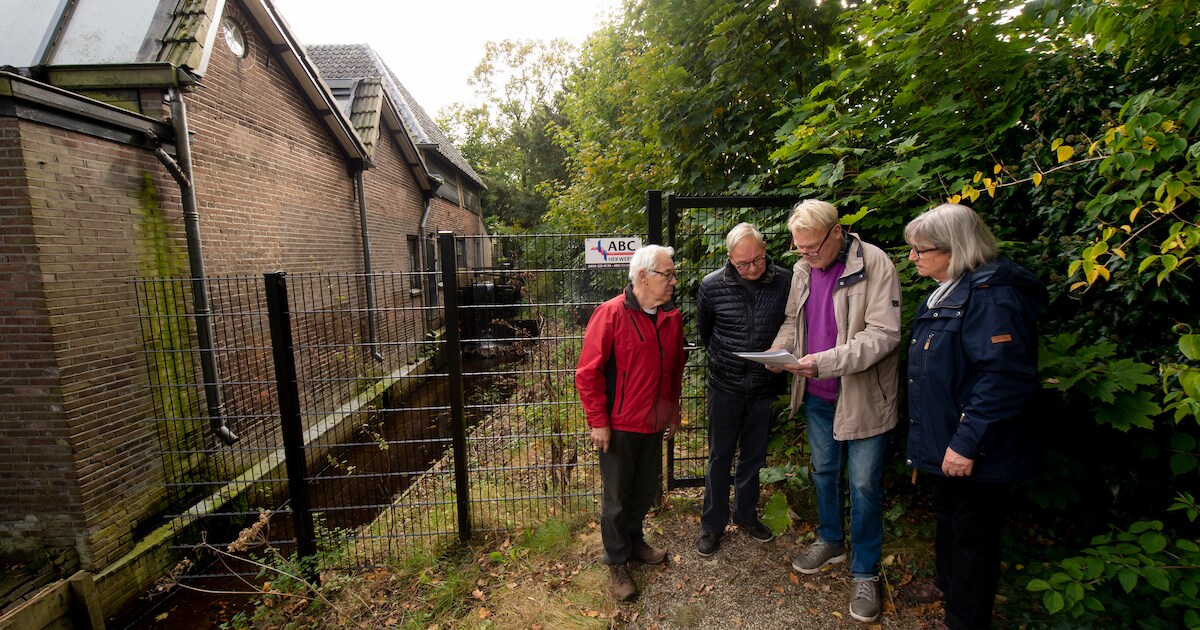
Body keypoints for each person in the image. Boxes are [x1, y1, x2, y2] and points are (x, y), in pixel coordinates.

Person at [902, 203, 1046, 629]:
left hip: (977, 449)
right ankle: (946, 587)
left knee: (973, 536)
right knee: (948, 518)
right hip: (946, 440)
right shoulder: (949, 291)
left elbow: (1003, 378)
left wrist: (966, 442)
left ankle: (964, 620)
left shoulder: (992, 297)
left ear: (956, 248)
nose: (913, 257)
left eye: (921, 249)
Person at [769, 199, 902, 623]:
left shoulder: (876, 265)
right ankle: (830, 540)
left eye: (811, 248)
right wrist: (778, 349)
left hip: (863, 397)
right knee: (824, 472)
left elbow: (883, 335)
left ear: (837, 233)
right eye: (799, 249)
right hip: (818, 396)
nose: (804, 256)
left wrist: (822, 362)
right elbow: (794, 320)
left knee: (864, 485)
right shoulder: (805, 268)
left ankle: (864, 571)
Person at [575, 244, 686, 602]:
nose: (673, 281)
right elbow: (587, 374)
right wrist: (598, 421)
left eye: (672, 274)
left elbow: (674, 370)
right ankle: (617, 561)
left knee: (641, 493)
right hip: (620, 426)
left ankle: (635, 542)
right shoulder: (609, 314)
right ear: (643, 277)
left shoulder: (671, 317)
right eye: (666, 274)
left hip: (653, 424)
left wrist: (673, 410)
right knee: (617, 499)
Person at [695, 223, 792, 556]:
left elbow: (792, 326)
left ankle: (747, 516)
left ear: (765, 251)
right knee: (719, 456)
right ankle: (712, 525)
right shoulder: (711, 286)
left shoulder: (786, 280)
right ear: (729, 259)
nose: (752, 268)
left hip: (765, 387)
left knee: (754, 458)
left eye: (758, 260)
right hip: (725, 385)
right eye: (743, 264)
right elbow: (706, 333)